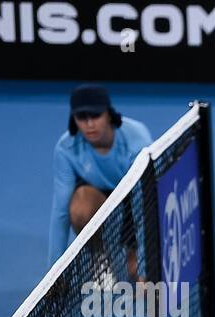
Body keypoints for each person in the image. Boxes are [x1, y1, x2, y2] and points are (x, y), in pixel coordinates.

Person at [48, 84, 152, 265]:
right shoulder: (66, 148)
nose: (89, 124)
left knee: (138, 273)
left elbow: (143, 202)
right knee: (80, 209)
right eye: (82, 117)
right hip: (96, 196)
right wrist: (52, 274)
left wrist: (142, 260)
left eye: (95, 115)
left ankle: (132, 255)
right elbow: (61, 212)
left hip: (134, 198)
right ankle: (100, 259)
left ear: (108, 114)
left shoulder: (137, 139)